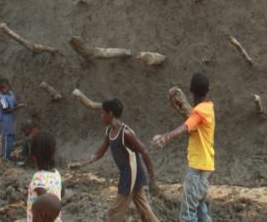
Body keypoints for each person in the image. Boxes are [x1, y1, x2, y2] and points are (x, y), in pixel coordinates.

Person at [70, 98, 159, 222]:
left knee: (114, 213)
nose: (101, 116)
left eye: (102, 113)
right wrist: (81, 164)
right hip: (128, 175)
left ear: (110, 113)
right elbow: (99, 153)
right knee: (145, 212)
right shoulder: (110, 131)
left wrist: (152, 178)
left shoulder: (125, 133)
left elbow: (144, 151)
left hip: (131, 175)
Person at [153, 73, 215, 222]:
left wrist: (166, 136)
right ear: (208, 90)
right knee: (201, 213)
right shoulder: (208, 107)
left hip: (197, 169)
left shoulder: (200, 112)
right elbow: (191, 119)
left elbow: (187, 126)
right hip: (205, 167)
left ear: (191, 89)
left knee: (187, 215)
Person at [26, 131, 63, 222]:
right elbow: (61, 192)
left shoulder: (38, 179)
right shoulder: (56, 173)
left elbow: (44, 209)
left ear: (33, 155)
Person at [0, 78, 23, 160]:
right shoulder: (2, 98)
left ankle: (7, 155)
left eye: (4, 87)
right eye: (1, 88)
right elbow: (7, 110)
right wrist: (18, 107)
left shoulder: (11, 94)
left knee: (10, 136)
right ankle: (4, 157)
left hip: (10, 118)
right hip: (4, 118)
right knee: (6, 137)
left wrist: (18, 106)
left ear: (9, 86)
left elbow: (14, 104)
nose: (3, 89)